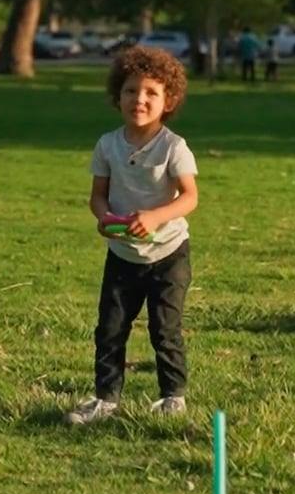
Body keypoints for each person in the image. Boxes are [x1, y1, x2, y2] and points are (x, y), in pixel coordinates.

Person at [65, 45, 198, 426]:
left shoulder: (174, 147)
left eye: (151, 93)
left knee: (165, 329)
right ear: (117, 96)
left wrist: (156, 216)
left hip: (169, 254)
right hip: (122, 254)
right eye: (130, 91)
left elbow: (190, 197)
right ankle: (106, 400)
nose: (139, 99)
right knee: (110, 328)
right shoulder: (108, 145)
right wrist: (105, 218)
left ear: (168, 100)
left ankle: (173, 397)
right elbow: (97, 197)